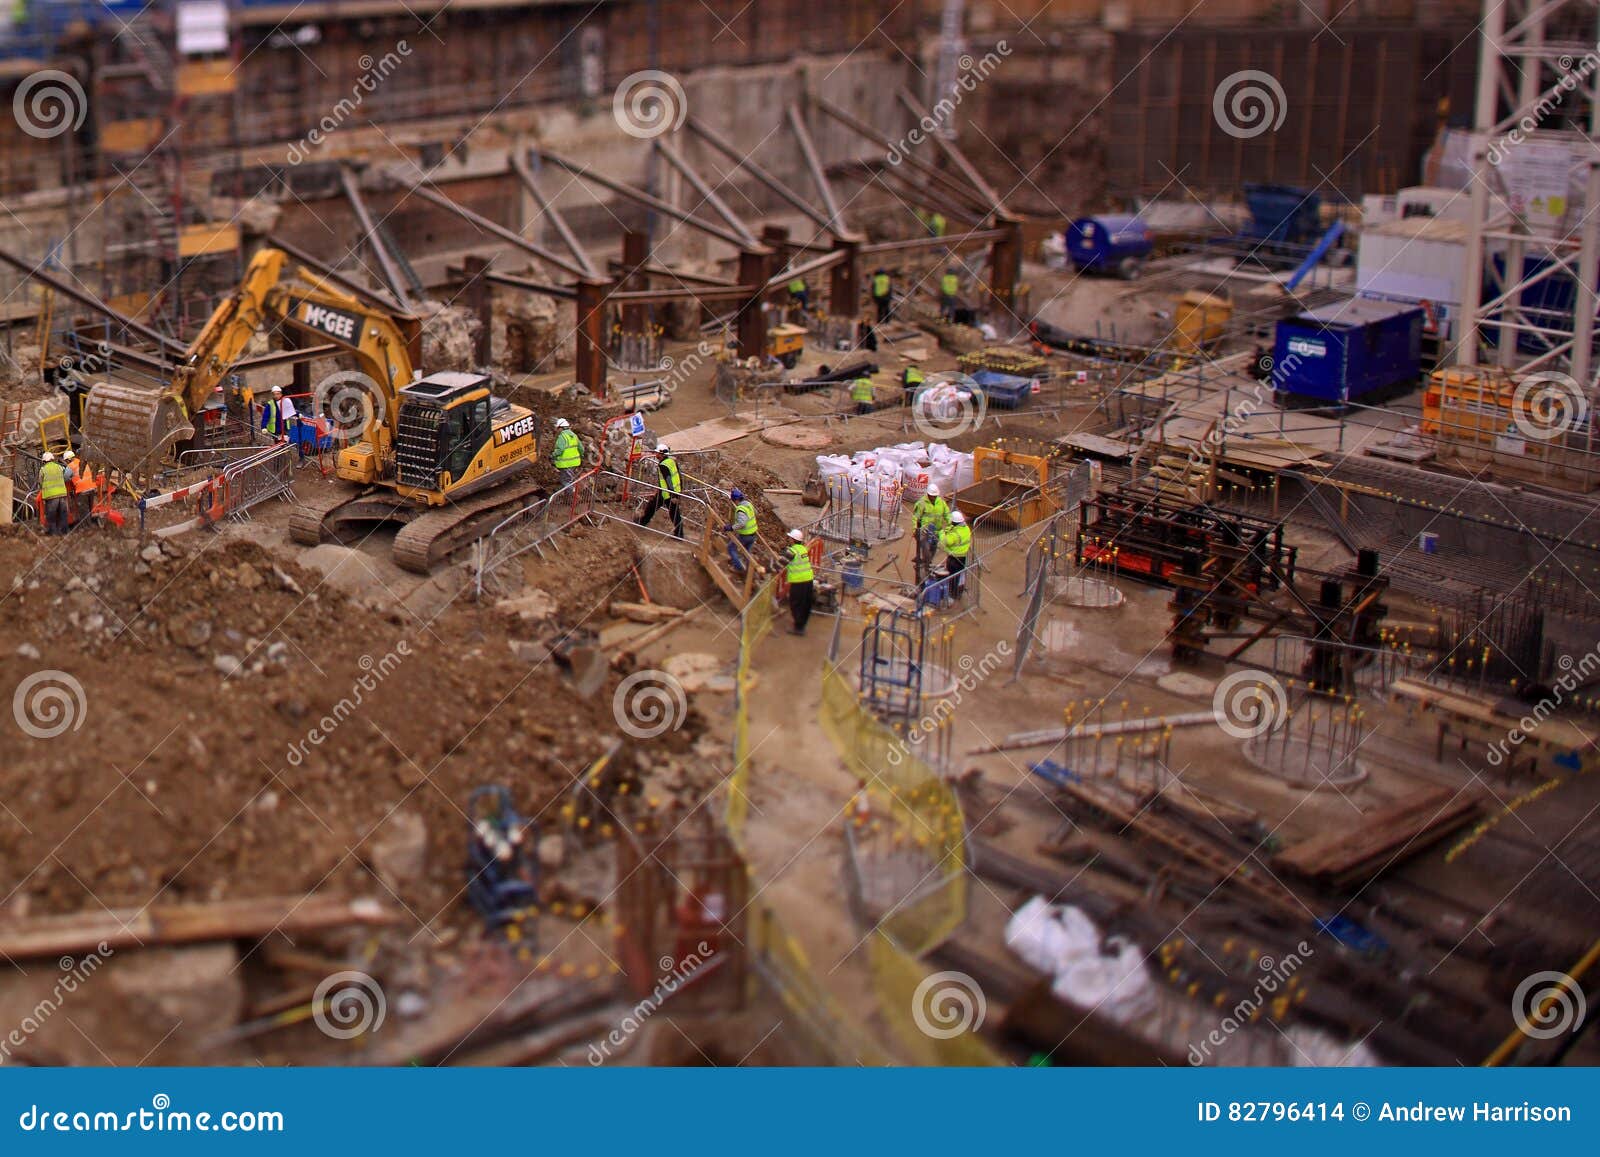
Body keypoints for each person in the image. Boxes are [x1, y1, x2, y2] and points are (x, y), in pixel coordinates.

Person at [636, 441, 683, 538]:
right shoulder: (672, 461)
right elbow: (678, 476)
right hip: (668, 491)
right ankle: (643, 521)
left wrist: (674, 495)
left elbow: (668, 480)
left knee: (674, 513)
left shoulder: (663, 465)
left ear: (662, 454)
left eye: (657, 453)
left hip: (669, 493)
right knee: (652, 506)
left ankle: (679, 534)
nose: (656, 454)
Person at [911, 483, 950, 577]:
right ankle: (927, 568)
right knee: (926, 550)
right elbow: (915, 518)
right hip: (925, 532)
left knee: (933, 549)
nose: (933, 497)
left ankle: (925, 564)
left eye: (934, 496)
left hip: (936, 531)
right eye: (931, 496)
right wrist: (915, 530)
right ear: (928, 495)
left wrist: (951, 524)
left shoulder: (941, 502)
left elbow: (947, 514)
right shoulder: (921, 503)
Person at [784, 528, 814, 635]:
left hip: (798, 581)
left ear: (792, 539)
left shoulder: (792, 551)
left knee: (795, 603)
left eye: (790, 538)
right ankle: (801, 624)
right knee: (805, 604)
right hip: (808, 580)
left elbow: (781, 563)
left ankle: (798, 628)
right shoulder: (803, 549)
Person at [725, 487, 758, 575]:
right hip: (753, 534)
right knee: (747, 553)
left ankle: (739, 568)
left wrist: (731, 528)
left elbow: (742, 523)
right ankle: (749, 573)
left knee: (731, 548)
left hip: (745, 535)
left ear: (735, 500)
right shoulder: (748, 504)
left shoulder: (741, 509)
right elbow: (756, 512)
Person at [940, 509, 972, 597]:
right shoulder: (966, 528)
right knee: (959, 577)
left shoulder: (955, 534)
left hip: (954, 558)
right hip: (963, 557)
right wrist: (948, 529)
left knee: (952, 577)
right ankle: (957, 593)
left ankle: (952, 594)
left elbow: (945, 541)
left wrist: (941, 532)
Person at [38, 451, 69, 536]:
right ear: (52, 459)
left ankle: (53, 533)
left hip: (51, 496)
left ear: (44, 461)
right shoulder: (59, 467)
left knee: (51, 515)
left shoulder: (43, 469)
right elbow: (66, 475)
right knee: (63, 514)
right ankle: (64, 532)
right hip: (62, 494)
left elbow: (40, 482)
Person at [551, 417, 583, 492]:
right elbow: (581, 448)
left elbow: (560, 450)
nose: (557, 430)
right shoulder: (574, 436)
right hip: (574, 463)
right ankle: (569, 495)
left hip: (565, 464)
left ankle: (573, 494)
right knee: (569, 479)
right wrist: (581, 456)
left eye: (558, 428)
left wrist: (552, 455)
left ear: (561, 428)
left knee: (565, 481)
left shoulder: (562, 437)